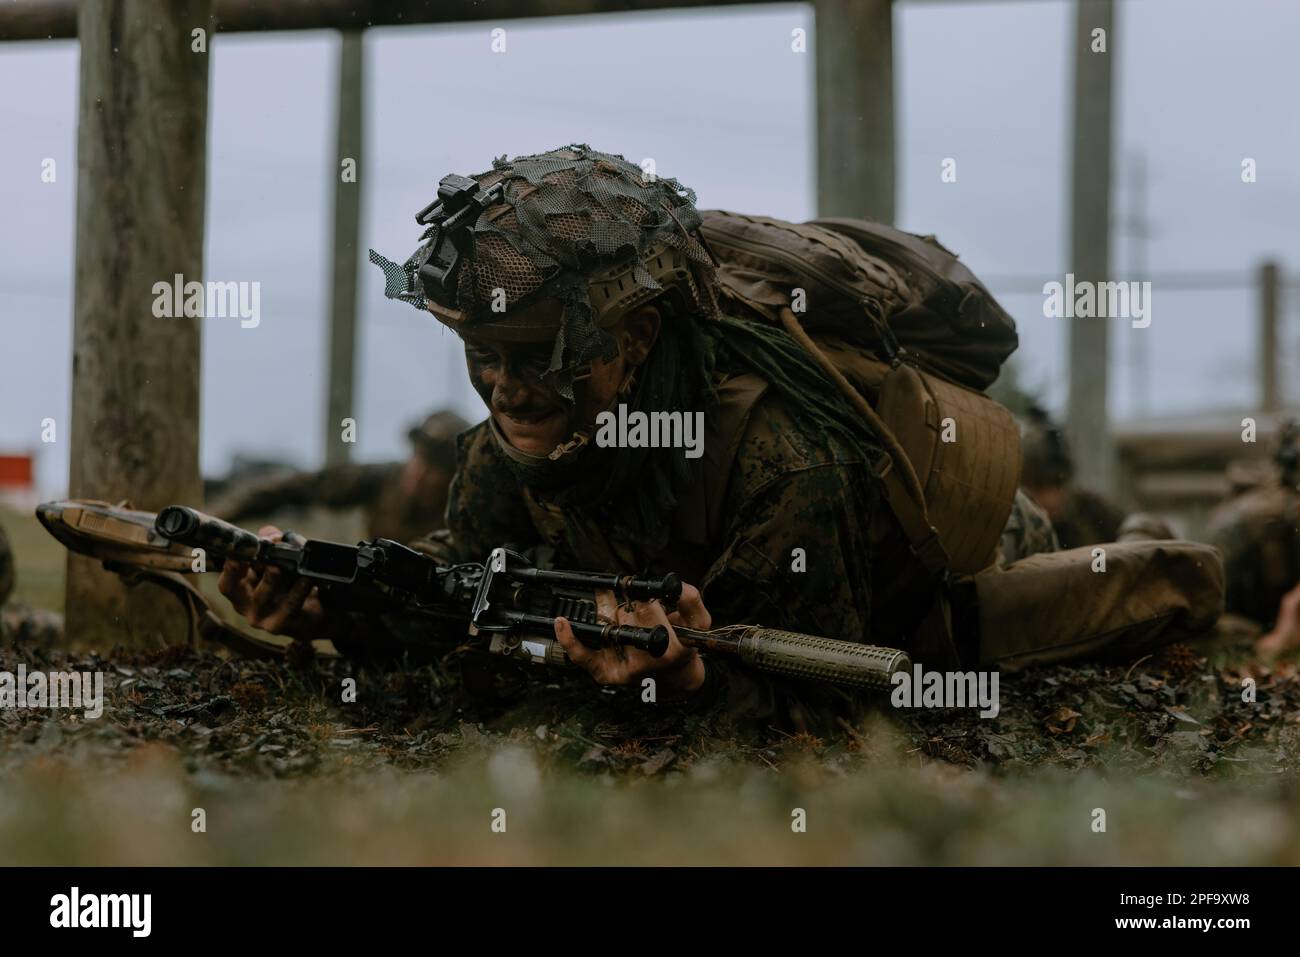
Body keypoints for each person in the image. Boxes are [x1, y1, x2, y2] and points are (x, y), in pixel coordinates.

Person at [214, 145, 1030, 733]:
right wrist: (327, 608)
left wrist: (692, 680)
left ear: (634, 339)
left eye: (539, 357)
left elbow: (834, 698)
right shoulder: (510, 446)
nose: (505, 387)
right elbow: (469, 601)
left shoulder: (784, 462)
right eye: (482, 356)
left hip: (954, 563)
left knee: (1090, 592)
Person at [208, 410, 468, 545]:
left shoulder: (472, 510)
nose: (420, 475)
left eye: (435, 468)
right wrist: (210, 519)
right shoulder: (384, 479)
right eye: (419, 459)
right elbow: (296, 488)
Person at [1019, 405, 1126, 550]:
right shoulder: (1013, 525)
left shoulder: (1090, 510)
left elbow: (1140, 526)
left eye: (1057, 484)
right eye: (1039, 487)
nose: (1050, 498)